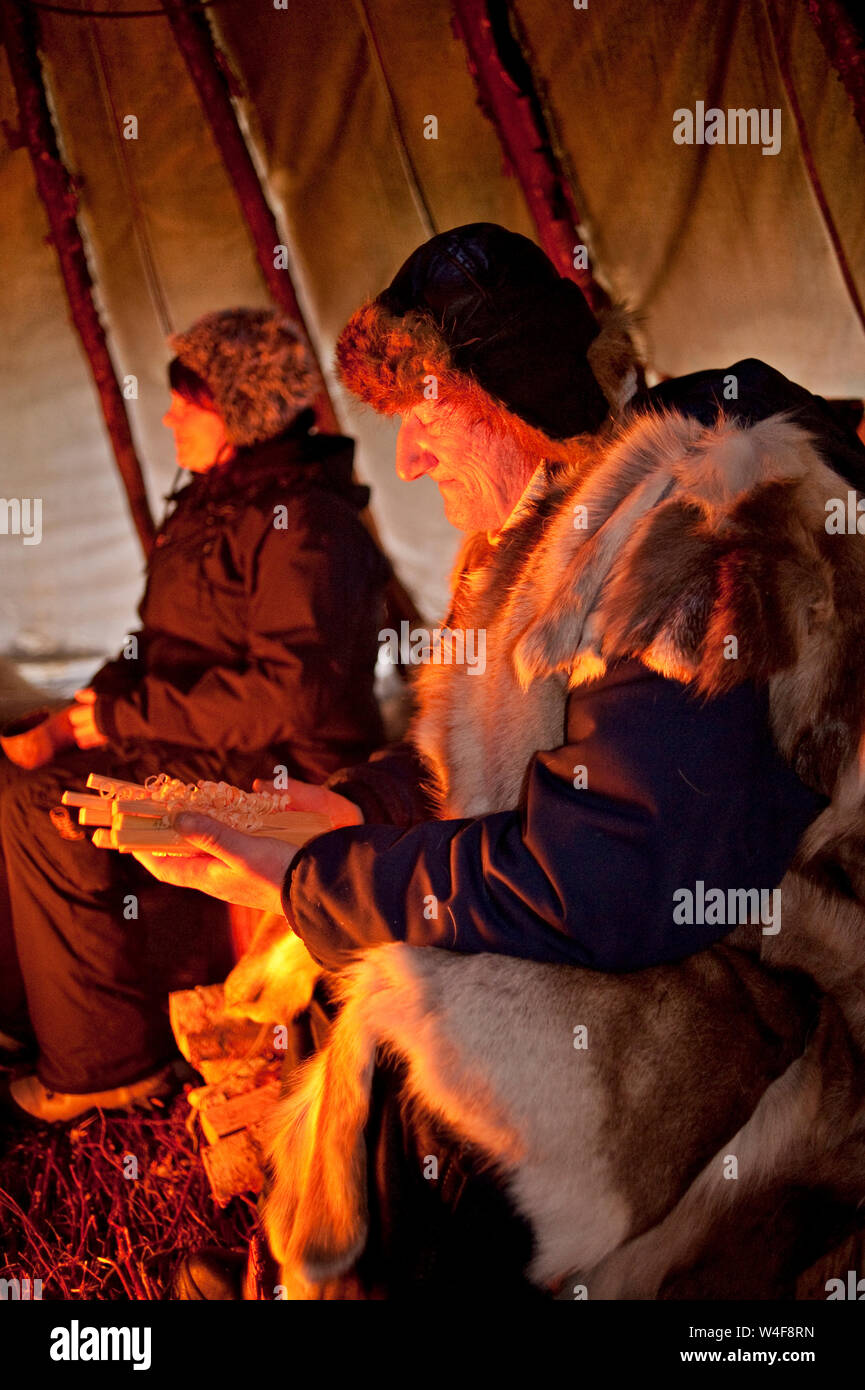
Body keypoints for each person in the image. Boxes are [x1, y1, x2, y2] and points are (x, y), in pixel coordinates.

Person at [135, 227, 865, 1298]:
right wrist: (347, 803)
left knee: (417, 1009)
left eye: (428, 416)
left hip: (775, 987)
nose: (410, 459)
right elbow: (517, 761)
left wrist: (323, 881)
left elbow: (611, 878)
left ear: (510, 400)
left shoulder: (685, 532)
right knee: (379, 964)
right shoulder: (552, 525)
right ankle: (334, 1265)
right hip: (675, 922)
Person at [0, 307, 389, 1124]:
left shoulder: (306, 526)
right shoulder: (212, 509)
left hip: (286, 766)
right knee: (10, 774)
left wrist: (121, 716)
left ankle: (105, 1067)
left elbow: (294, 696)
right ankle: (23, 1017)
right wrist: (86, 706)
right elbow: (160, 644)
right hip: (204, 740)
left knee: (47, 809)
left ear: (240, 411)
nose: (170, 415)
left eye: (189, 400)